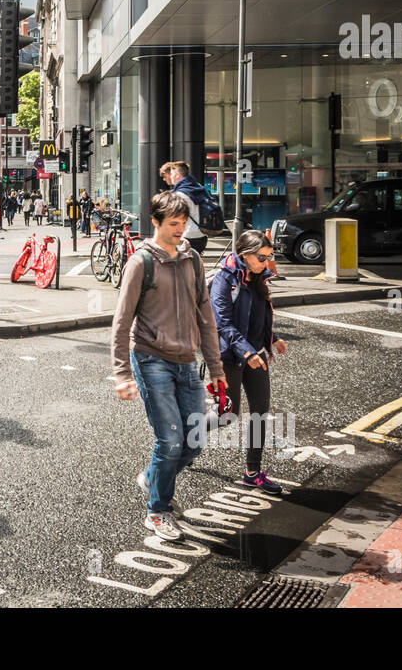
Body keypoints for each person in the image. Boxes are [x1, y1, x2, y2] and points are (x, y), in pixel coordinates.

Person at [110, 190, 226, 542]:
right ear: (156, 222)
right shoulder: (141, 263)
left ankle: (152, 474)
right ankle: (158, 511)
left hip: (186, 360)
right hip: (149, 358)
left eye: (183, 223)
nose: (180, 230)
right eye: (173, 224)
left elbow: (206, 317)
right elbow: (121, 320)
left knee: (194, 439)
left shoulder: (193, 261)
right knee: (171, 439)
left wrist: (217, 369)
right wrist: (121, 373)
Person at [210, 231, 288, 493]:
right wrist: (246, 352)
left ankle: (252, 472)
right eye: (262, 257)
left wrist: (272, 338)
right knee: (227, 415)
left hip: (256, 354)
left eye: (269, 257)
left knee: (260, 411)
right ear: (245, 255)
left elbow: (256, 318)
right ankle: (183, 437)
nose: (266, 262)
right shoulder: (224, 280)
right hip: (230, 356)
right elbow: (223, 324)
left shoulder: (258, 279)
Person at [161, 161, 213, 254]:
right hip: (202, 236)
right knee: (194, 265)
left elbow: (174, 217)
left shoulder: (180, 194)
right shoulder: (199, 187)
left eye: (172, 174)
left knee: (179, 266)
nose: (170, 177)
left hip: (186, 237)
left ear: (177, 175)